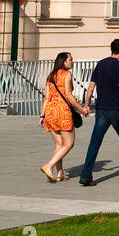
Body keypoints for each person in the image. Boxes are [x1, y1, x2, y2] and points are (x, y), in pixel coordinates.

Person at [79, 38, 119, 185]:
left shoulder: (100, 64)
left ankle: (85, 175)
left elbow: (90, 87)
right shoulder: (118, 66)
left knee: (94, 143)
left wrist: (86, 104)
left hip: (101, 110)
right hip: (117, 110)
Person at [39, 51, 89, 182]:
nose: (72, 61)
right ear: (64, 61)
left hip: (50, 111)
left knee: (59, 144)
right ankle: (48, 166)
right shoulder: (67, 74)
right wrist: (82, 109)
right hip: (62, 111)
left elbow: (47, 97)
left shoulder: (50, 75)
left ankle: (60, 172)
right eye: (70, 59)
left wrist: (42, 115)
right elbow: (69, 96)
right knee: (69, 144)